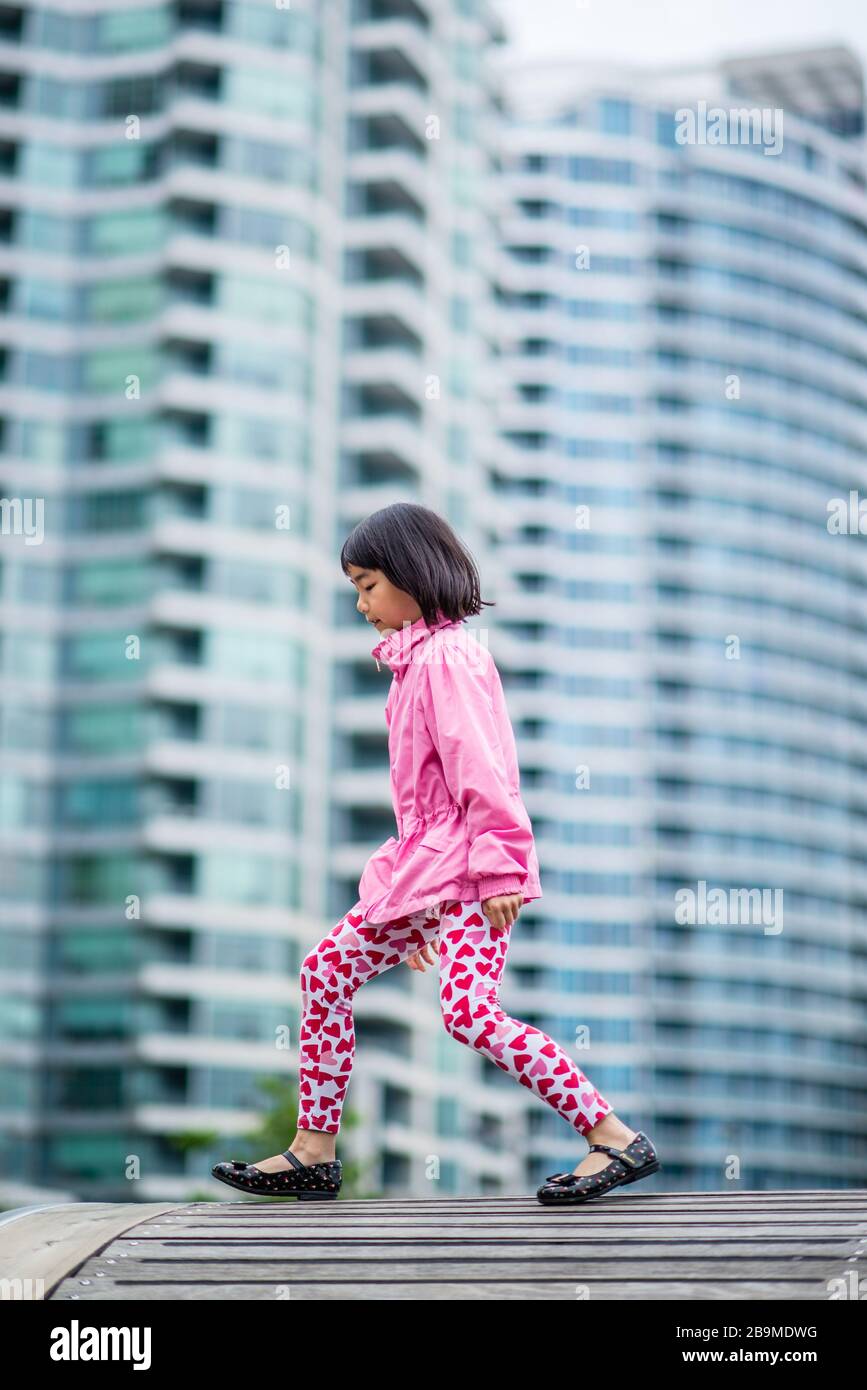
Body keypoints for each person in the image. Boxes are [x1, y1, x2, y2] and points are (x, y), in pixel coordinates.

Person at [212, 503, 660, 1204]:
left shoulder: (448, 658)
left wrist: (500, 869)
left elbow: (481, 771)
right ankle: (313, 1153)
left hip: (474, 874)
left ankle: (613, 1139)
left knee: (467, 1012)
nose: (360, 603)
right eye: (354, 589)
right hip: (430, 874)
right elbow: (425, 805)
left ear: (412, 574)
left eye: (367, 584)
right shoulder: (415, 663)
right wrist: (414, 908)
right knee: (324, 973)